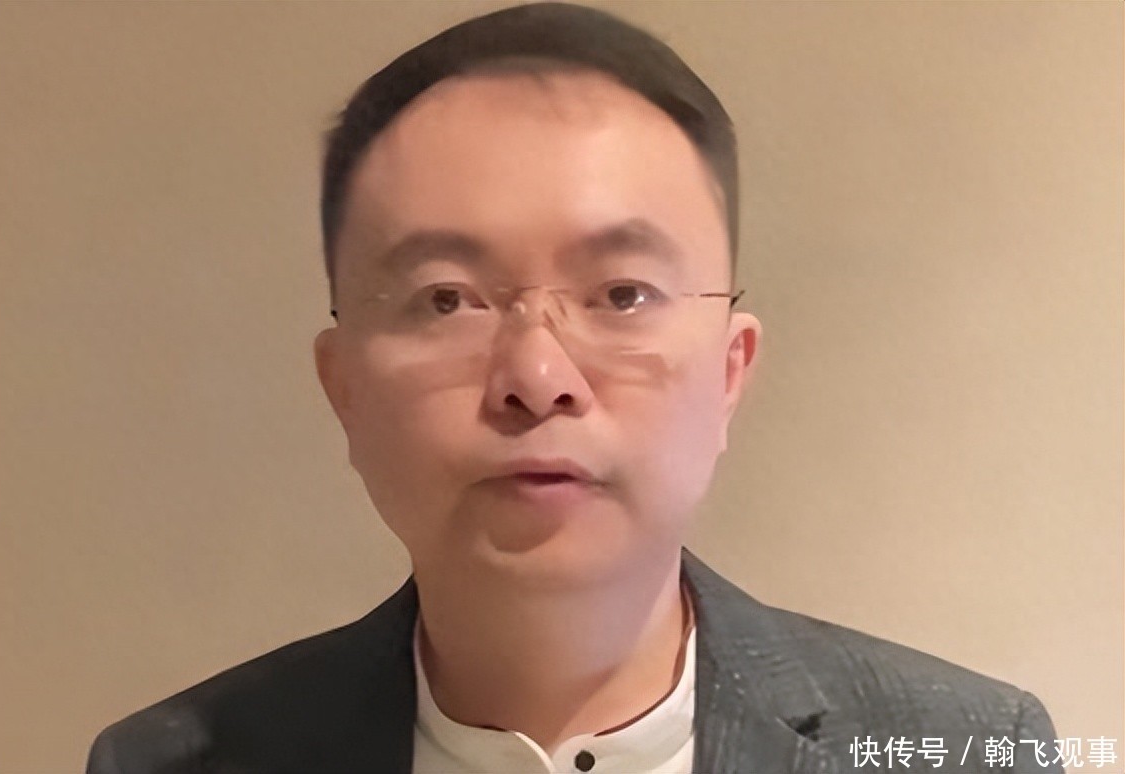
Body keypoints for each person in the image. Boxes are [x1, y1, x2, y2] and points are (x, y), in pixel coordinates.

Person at [86, 4, 1061, 772]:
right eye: (446, 299)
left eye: (621, 294)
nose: (536, 378)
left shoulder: (970, 749)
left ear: (729, 371)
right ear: (343, 388)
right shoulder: (169, 762)